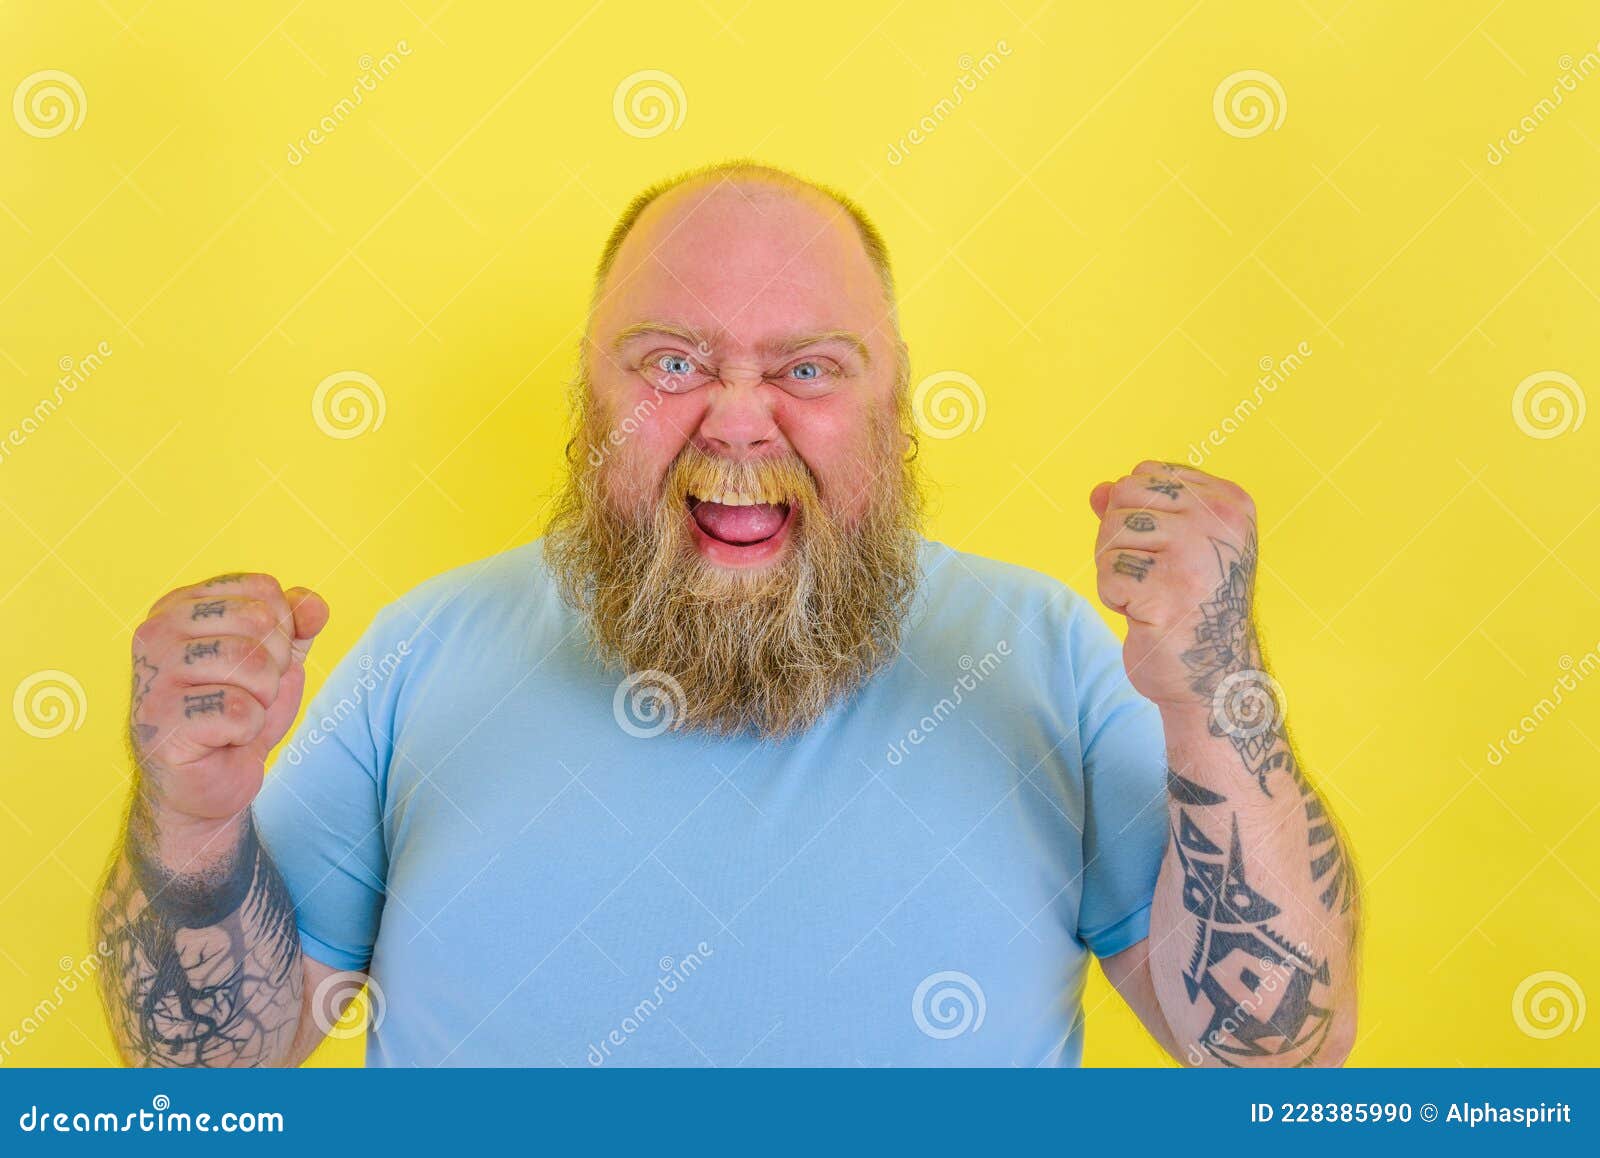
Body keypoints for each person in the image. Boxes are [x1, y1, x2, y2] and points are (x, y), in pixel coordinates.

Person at [96, 161, 1358, 1068]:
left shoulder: (1042, 654)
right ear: (588, 395)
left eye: (808, 369)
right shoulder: (422, 653)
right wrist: (196, 825)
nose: (740, 421)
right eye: (671, 363)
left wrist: (1212, 702)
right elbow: (209, 1074)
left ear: (892, 403)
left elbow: (1270, 1055)